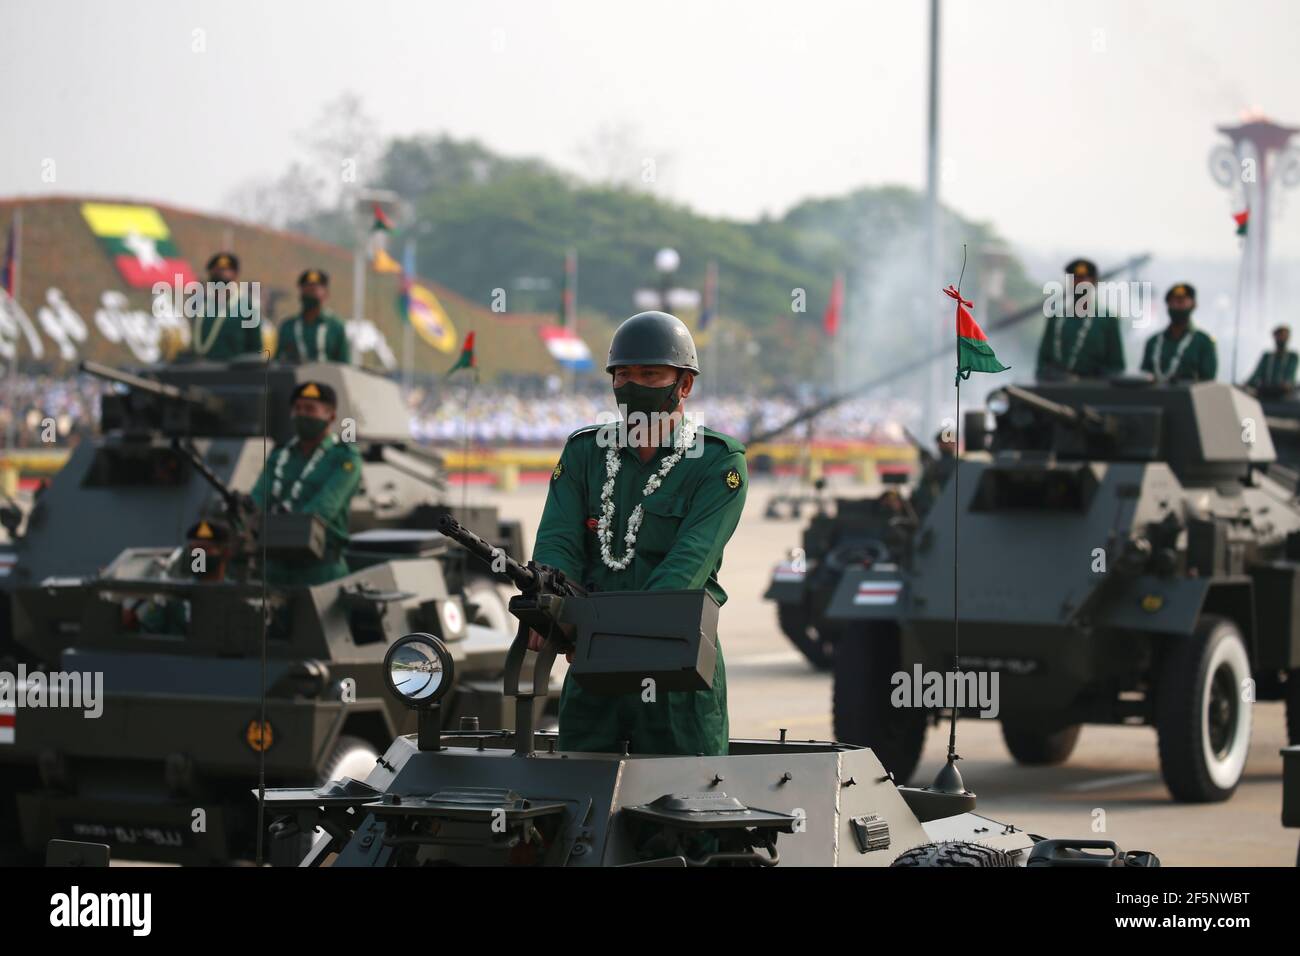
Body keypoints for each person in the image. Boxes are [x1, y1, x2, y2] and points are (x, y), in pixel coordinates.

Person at [531, 311, 747, 757]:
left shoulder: (718, 463)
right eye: (622, 375)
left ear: (684, 385)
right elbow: (557, 543)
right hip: (592, 671)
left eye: (650, 374)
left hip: (678, 671)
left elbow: (686, 566)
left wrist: (607, 635)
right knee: (577, 804)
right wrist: (549, 611)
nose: (632, 385)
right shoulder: (584, 453)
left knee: (688, 812)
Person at [249, 381, 362, 586]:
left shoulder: (345, 458)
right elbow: (259, 496)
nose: (301, 414)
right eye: (297, 408)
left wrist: (270, 527)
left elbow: (324, 508)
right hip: (275, 571)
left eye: (310, 409)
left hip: (320, 572)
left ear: (331, 416)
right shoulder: (280, 455)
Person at [126, 519, 236, 634]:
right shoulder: (172, 597)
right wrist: (133, 625)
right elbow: (149, 632)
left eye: (204, 549)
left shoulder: (236, 597)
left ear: (225, 553)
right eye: (193, 549)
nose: (197, 556)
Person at [1036, 258, 1126, 380]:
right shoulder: (1056, 319)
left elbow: (1116, 366)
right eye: (1075, 279)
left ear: (1094, 282)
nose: (1079, 284)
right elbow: (1042, 363)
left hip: (1094, 390)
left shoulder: (1107, 320)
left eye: (1084, 279)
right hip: (1058, 389)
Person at [186, 252, 264, 361]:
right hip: (203, 371)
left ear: (235, 274)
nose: (221, 273)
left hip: (234, 374)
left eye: (227, 270)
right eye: (217, 270)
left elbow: (255, 350)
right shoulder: (200, 305)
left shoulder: (247, 306)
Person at [1140, 283, 1217, 383]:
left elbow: (1208, 381)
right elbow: (1144, 376)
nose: (1177, 306)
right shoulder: (1153, 342)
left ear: (1193, 305)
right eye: (1173, 302)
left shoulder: (1204, 342)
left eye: (1181, 302)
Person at [274, 269, 351, 364]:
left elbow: (344, 363)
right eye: (307, 290)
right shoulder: (288, 327)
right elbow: (277, 361)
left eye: (314, 291)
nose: (309, 295)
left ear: (326, 294)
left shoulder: (335, 327)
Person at [1247, 324, 1298, 391]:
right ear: (1275, 337)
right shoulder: (1267, 357)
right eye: (1280, 336)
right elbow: (1257, 374)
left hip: (1285, 395)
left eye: (1285, 336)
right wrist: (1247, 384)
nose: (1282, 339)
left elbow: (1290, 375)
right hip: (1266, 392)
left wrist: (1286, 384)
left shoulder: (1292, 356)